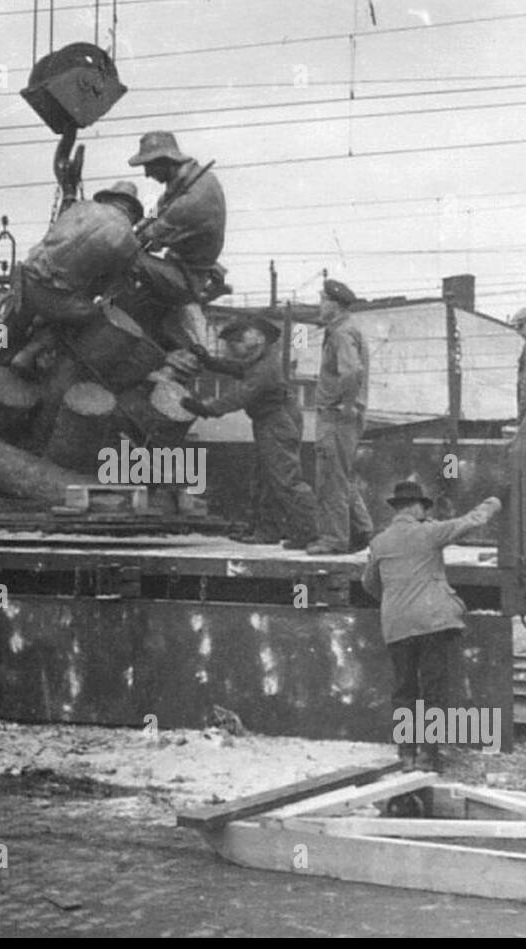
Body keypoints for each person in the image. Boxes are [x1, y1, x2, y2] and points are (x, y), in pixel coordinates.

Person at [362, 481, 502, 771]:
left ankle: (406, 755)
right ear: (415, 507)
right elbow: (471, 521)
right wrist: (496, 499)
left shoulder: (379, 542)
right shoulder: (429, 533)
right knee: (432, 690)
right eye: (423, 508)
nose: (426, 513)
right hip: (430, 623)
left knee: (404, 690)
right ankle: (428, 756)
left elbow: (369, 584)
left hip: (396, 626)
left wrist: (397, 599)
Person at [180, 314, 316, 547]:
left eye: (241, 339)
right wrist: (210, 362)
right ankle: (268, 531)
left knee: (285, 479)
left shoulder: (265, 368)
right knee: (266, 479)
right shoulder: (261, 360)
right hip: (271, 421)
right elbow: (238, 368)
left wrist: (207, 408)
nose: (236, 345)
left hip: (276, 421)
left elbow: (241, 395)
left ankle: (311, 532)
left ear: (260, 339)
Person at [1, 181, 144, 368]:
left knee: (4, 324)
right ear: (133, 212)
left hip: (24, 280)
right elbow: (104, 287)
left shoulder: (81, 207)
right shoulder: (130, 243)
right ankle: (32, 351)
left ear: (107, 198)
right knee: (92, 316)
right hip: (56, 299)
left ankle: (0, 353)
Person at [123, 131, 227, 350]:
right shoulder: (188, 181)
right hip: (182, 267)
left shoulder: (192, 201)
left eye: (149, 167)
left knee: (127, 257)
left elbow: (147, 236)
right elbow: (156, 211)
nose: (147, 174)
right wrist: (140, 223)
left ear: (165, 162)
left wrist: (123, 237)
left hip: (186, 280)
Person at [307, 279, 374, 554]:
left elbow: (351, 371)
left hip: (336, 415)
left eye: (323, 301)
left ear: (334, 305)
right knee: (341, 476)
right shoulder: (347, 329)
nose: (320, 306)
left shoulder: (340, 333)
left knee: (331, 479)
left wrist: (346, 405)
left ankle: (334, 539)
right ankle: (362, 530)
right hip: (344, 414)